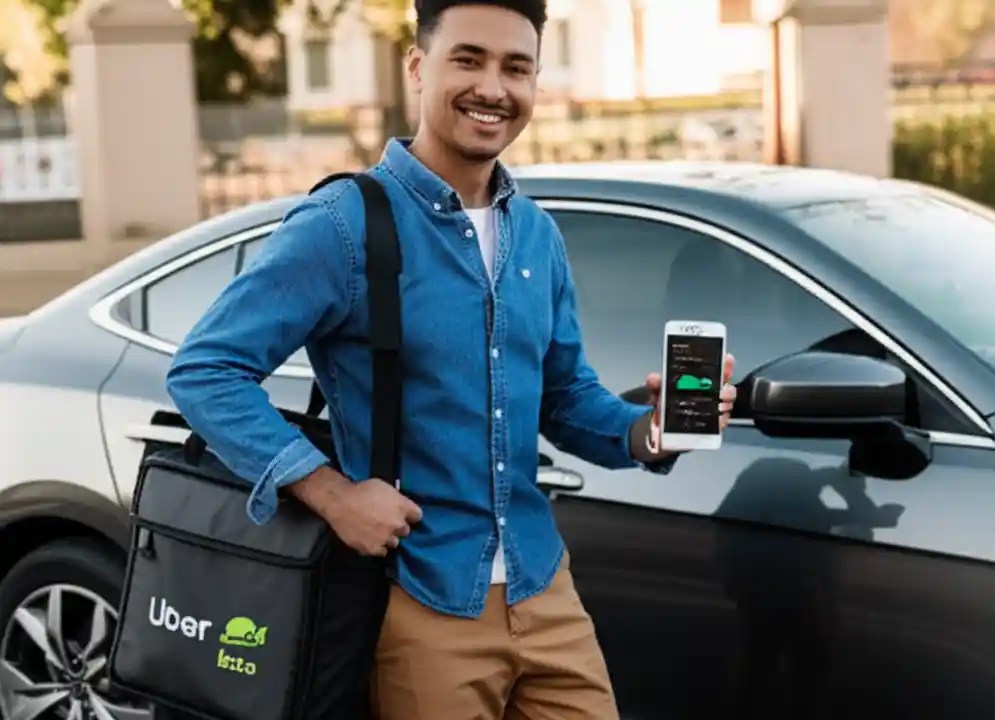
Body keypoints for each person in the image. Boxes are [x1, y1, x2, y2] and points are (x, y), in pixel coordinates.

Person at [164, 0, 736, 718]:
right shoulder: (343, 225)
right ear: (417, 66)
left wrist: (648, 431)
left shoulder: (536, 236)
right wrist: (334, 495)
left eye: (516, 68)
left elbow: (563, 398)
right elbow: (205, 370)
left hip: (544, 589)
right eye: (468, 59)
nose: (494, 87)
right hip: (422, 599)